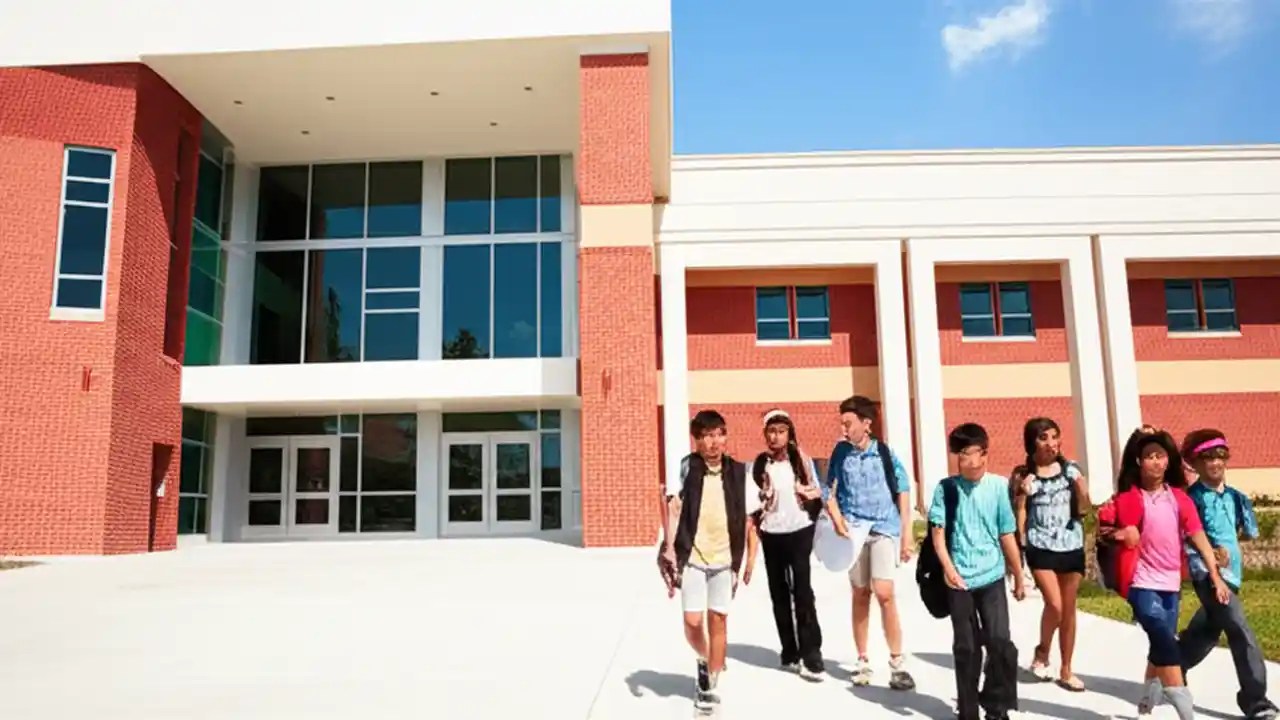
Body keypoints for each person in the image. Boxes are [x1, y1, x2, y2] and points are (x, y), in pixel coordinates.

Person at [1096, 426, 1231, 720]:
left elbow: (1199, 538)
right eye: (1149, 457)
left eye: (1160, 456)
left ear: (1168, 461)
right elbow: (1102, 533)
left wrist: (1216, 577)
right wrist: (1121, 533)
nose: (1155, 462)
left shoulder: (1179, 499)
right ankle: (1186, 711)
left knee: (1160, 643)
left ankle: (1146, 703)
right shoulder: (1127, 499)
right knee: (1165, 640)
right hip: (1140, 583)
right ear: (1138, 462)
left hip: (1170, 583)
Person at [659, 410, 760, 711]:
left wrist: (750, 560)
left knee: (718, 620)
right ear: (698, 440)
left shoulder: (740, 473)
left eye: (720, 434)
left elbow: (749, 521)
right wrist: (667, 546)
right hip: (692, 556)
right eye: (707, 435)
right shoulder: (686, 468)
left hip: (725, 558)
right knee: (692, 623)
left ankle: (710, 682)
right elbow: (671, 508)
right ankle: (705, 659)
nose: (715, 441)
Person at [1177, 429, 1278, 720]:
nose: (1216, 463)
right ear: (1194, 464)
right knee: (1239, 628)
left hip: (1232, 576)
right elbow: (1186, 537)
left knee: (1208, 631)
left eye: (1221, 456)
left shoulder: (1236, 498)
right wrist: (1211, 562)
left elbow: (1243, 534)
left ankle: (1171, 664)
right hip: (1208, 576)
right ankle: (1255, 699)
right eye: (1208, 458)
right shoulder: (1192, 499)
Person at [929, 422, 1026, 720]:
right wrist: (948, 569)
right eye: (964, 455)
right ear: (957, 457)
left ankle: (996, 707)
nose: (972, 461)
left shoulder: (997, 487)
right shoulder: (946, 488)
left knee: (1000, 644)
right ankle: (968, 710)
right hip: (959, 580)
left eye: (976, 453)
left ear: (985, 453)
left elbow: (1006, 533)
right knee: (967, 649)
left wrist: (1019, 576)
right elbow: (937, 534)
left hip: (992, 576)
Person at [825, 395, 916, 690]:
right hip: (854, 531)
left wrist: (907, 534)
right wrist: (837, 518)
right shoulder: (840, 453)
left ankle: (897, 662)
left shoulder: (885, 454)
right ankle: (863, 660)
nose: (843, 428)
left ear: (866, 423)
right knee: (860, 593)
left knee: (885, 592)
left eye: (848, 423)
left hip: (883, 528)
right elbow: (829, 490)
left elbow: (903, 490)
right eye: (841, 422)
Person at [1010, 417, 1089, 692]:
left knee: (1068, 610)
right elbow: (1020, 510)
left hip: (1071, 543)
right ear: (1032, 442)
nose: (1051, 443)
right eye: (1044, 437)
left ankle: (1067, 669)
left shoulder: (1071, 471)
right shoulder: (1024, 475)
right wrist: (1020, 545)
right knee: (1054, 604)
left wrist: (1082, 488)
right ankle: (1043, 650)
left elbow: (1086, 507)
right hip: (1039, 545)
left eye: (1054, 436)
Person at [750, 409, 826, 680]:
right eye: (771, 431)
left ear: (789, 433)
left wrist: (809, 494)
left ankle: (812, 653)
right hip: (772, 533)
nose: (775, 436)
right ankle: (789, 650)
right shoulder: (760, 464)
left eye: (781, 431)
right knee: (778, 592)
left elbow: (818, 489)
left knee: (803, 591)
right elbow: (753, 501)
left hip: (800, 530)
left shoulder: (801, 460)